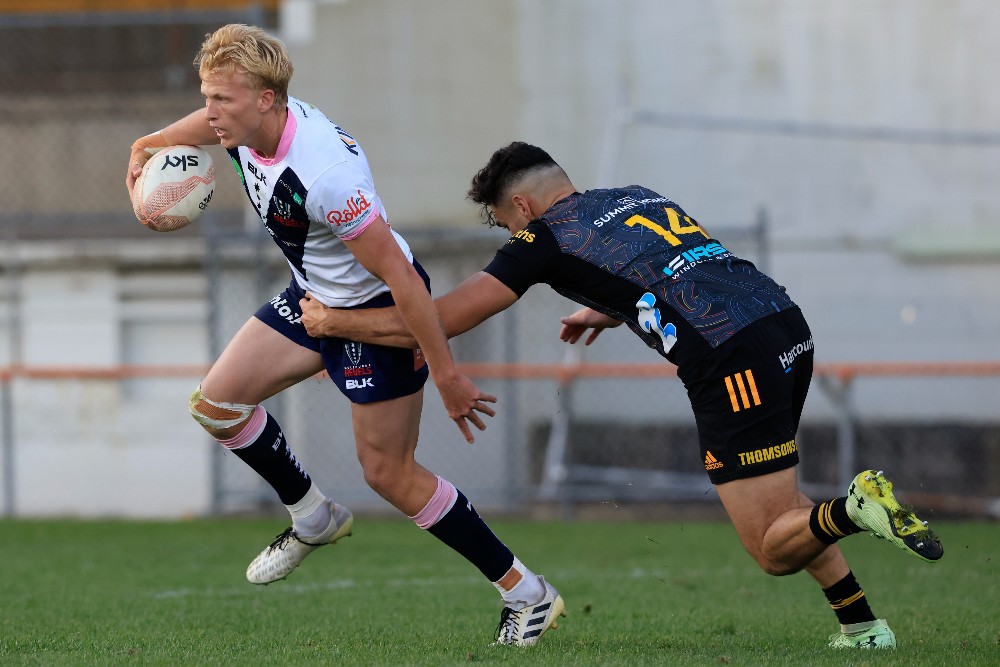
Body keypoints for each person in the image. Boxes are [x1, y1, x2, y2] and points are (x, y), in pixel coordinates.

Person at [298, 141, 945, 650]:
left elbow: (449, 316)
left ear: (520, 208)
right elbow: (672, 264)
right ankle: (863, 626)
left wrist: (336, 323)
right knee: (784, 505)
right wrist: (607, 310)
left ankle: (857, 507)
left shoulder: (541, 239)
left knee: (771, 545)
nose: (510, 236)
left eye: (502, 224)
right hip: (783, 326)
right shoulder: (632, 196)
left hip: (729, 361)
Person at [124, 27, 564, 646]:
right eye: (207, 96)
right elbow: (199, 125)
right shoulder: (244, 125)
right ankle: (313, 515)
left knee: (390, 475)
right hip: (313, 298)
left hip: (376, 308)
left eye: (223, 100)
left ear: (267, 101)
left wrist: (447, 374)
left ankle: (527, 592)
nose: (211, 112)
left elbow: (404, 280)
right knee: (216, 404)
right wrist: (153, 143)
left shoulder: (326, 174)